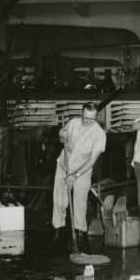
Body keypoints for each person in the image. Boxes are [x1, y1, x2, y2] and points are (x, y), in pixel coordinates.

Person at [53, 103, 107, 253]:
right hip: (64, 165)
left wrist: (75, 176)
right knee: (59, 200)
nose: (88, 121)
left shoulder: (99, 134)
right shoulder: (73, 123)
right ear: (82, 114)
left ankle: (80, 236)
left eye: (91, 118)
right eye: (85, 117)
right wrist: (61, 135)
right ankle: (58, 232)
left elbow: (92, 161)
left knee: (80, 202)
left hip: (83, 169)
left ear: (96, 117)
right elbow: (61, 137)